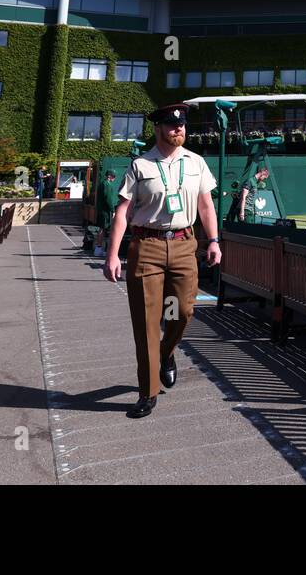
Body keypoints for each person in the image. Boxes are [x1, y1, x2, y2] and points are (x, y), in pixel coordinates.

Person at [104, 103, 222, 419]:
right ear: (158, 129)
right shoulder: (140, 166)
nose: (178, 130)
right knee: (145, 322)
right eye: (171, 126)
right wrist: (112, 254)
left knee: (182, 311)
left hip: (184, 245)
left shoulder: (196, 163)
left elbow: (206, 206)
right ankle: (148, 392)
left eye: (181, 125)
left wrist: (213, 241)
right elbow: (123, 213)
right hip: (147, 247)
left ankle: (166, 353)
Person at [94, 168, 120, 258]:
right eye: (113, 176)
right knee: (103, 229)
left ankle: (98, 249)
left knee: (101, 229)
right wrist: (113, 210)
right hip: (105, 211)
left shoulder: (102, 184)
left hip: (102, 210)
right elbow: (108, 199)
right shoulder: (107, 185)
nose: (114, 178)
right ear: (109, 176)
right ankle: (99, 249)